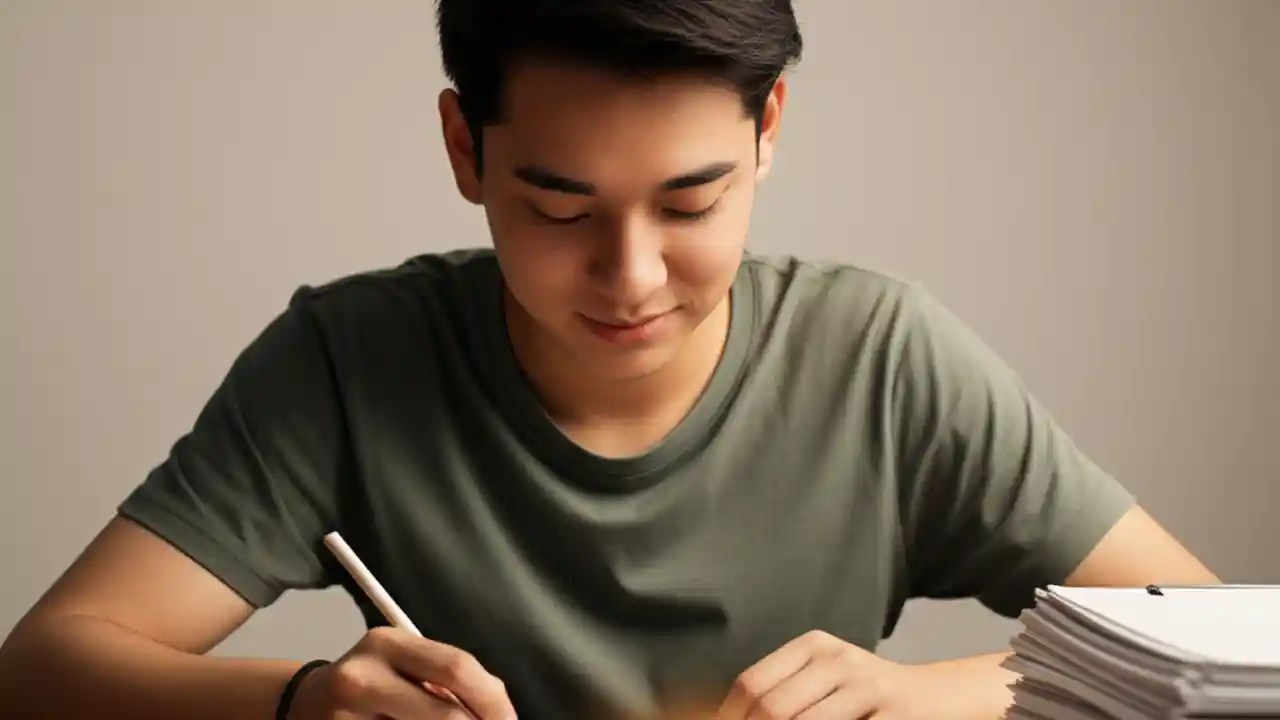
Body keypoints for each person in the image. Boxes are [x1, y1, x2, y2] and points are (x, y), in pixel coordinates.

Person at [0, 1, 1219, 718]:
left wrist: (921, 699)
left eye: (691, 204)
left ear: (767, 130)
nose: (630, 277)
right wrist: (306, 701)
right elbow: (43, 671)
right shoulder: (350, 360)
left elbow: (1222, 641)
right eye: (560, 209)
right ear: (464, 149)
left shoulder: (880, 361)